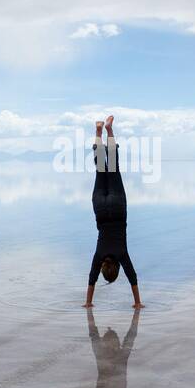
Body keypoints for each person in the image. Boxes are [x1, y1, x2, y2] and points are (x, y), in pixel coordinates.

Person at [83, 115, 143, 309]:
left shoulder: (122, 254)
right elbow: (91, 280)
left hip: (117, 207)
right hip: (100, 207)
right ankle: (99, 132)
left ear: (117, 269)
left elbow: (132, 278)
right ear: (104, 268)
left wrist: (138, 303)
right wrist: (88, 303)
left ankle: (109, 130)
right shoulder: (99, 255)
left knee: (113, 167)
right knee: (101, 169)